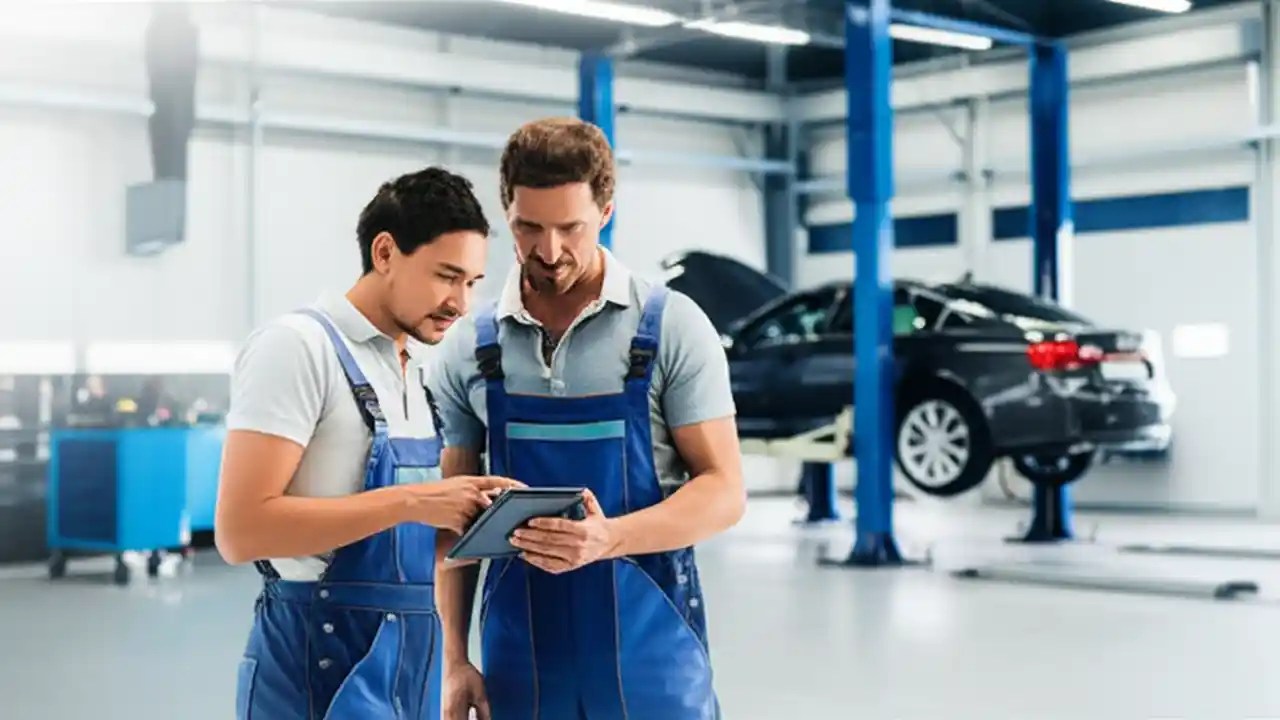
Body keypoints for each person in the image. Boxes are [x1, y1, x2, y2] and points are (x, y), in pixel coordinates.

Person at [428, 118, 747, 720]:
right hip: (519, 658)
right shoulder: (470, 348)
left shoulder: (671, 328)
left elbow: (725, 491)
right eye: (529, 228)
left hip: (652, 648)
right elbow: (454, 521)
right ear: (506, 215)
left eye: (569, 227)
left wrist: (609, 540)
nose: (549, 252)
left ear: (605, 212)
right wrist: (452, 658)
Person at [215, 167, 523, 720]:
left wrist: (484, 527)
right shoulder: (298, 348)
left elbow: (382, 552)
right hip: (314, 666)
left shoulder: (409, 371)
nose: (460, 302)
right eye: (446, 276)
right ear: (385, 253)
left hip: (407, 665)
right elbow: (240, 531)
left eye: (473, 283)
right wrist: (414, 502)